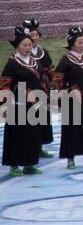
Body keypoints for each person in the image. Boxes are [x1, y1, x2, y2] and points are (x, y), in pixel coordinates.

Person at [2, 28, 46, 176]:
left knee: (32, 134)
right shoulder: (12, 63)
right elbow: (4, 85)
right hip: (18, 105)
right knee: (17, 135)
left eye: (29, 45)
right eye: (24, 45)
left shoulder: (34, 62)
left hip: (34, 104)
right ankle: (14, 165)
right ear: (17, 47)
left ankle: (29, 163)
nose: (27, 48)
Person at [53, 27, 83, 168]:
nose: (82, 45)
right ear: (72, 43)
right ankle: (70, 157)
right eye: (79, 42)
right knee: (72, 129)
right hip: (72, 100)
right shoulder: (65, 60)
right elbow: (57, 81)